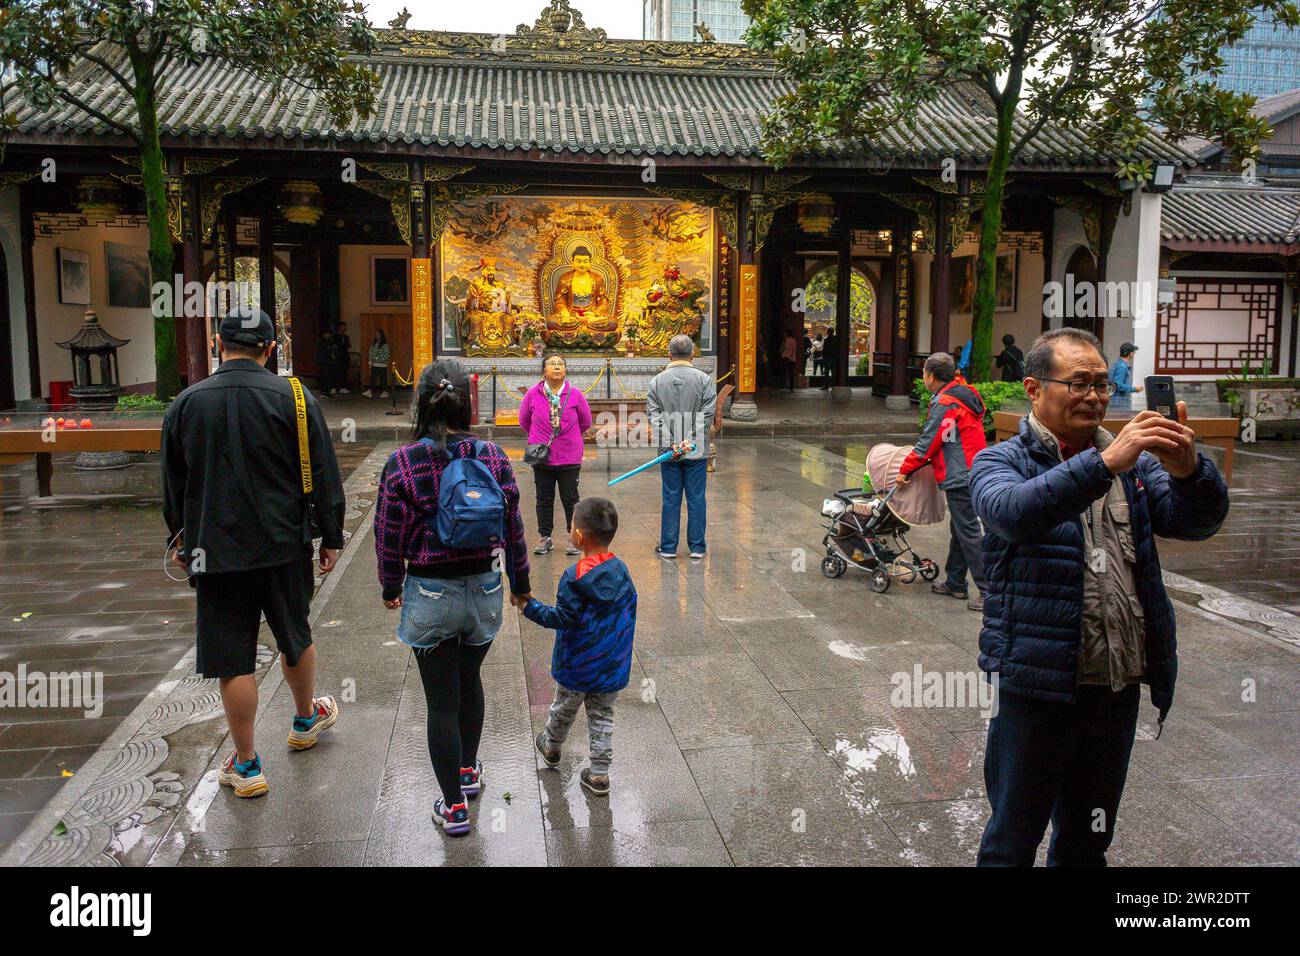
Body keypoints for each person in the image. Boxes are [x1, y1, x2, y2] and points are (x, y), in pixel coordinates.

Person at [969, 327, 1229, 866]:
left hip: (1115, 683)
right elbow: (1016, 514)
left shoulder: (1136, 466)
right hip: (1036, 685)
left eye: (1102, 385)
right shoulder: (999, 462)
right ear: (1034, 388)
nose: (1093, 395)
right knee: (1012, 839)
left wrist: (1188, 471)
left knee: (1088, 841)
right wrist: (1105, 464)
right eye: (1079, 383)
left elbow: (1196, 522)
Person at [161, 309, 347, 799]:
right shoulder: (296, 399)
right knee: (294, 633)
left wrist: (181, 540)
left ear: (220, 343)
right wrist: (330, 536)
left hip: (213, 549)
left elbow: (173, 487)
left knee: (232, 656)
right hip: (283, 542)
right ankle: (305, 719)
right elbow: (324, 473)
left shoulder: (186, 403)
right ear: (270, 349)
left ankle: (246, 765)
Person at [375, 360, 532, 836]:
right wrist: (521, 586)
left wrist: (389, 585)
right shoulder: (493, 456)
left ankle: (453, 808)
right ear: (469, 401)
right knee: (471, 680)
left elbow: (389, 535)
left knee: (441, 702)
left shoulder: (402, 462)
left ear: (420, 402)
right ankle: (468, 770)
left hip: (429, 591)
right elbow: (513, 528)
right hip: (484, 588)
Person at [525, 497, 637, 797]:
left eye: (572, 525)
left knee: (564, 708)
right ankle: (599, 774)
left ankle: (550, 747)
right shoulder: (622, 570)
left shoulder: (575, 577)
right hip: (611, 664)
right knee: (602, 717)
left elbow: (562, 618)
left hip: (578, 664)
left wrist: (529, 606)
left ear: (579, 536)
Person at [896, 352, 988, 611]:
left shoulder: (946, 401)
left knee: (968, 530)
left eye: (924, 373)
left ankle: (990, 591)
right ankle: (956, 582)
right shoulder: (962, 391)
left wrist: (905, 470)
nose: (923, 378)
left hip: (960, 472)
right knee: (961, 528)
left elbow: (930, 441)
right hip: (973, 466)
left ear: (931, 376)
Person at [647, 334, 717, 560]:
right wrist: (691, 440)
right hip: (695, 451)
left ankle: (669, 547)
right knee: (696, 498)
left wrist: (671, 443)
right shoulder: (704, 380)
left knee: (670, 498)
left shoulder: (657, 381)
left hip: (669, 453)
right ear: (692, 354)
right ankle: (697, 547)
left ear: (669, 354)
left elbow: (654, 416)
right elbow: (707, 413)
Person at [518, 352, 593, 557]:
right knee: (543, 498)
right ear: (544, 369)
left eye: (561, 363)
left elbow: (586, 422)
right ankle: (545, 537)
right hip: (542, 456)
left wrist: (569, 436)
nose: (557, 367)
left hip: (569, 455)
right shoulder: (533, 394)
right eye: (552, 363)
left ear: (565, 369)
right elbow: (524, 420)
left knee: (571, 499)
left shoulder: (575, 394)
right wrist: (539, 436)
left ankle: (573, 538)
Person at [1109, 342, 1143, 409]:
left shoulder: (1118, 364)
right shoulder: (1122, 367)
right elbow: (1118, 385)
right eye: (1133, 352)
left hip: (1117, 401)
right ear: (1130, 353)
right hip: (1120, 403)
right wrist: (1134, 389)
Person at [363, 328, 391, 398]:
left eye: (378, 334)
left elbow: (387, 355)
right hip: (374, 365)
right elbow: (371, 353)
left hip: (382, 365)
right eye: (375, 334)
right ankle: (370, 391)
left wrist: (378, 359)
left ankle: (384, 392)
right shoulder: (373, 344)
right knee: (372, 378)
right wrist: (370, 362)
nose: (376, 335)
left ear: (381, 335)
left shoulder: (385, 345)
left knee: (383, 380)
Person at [333, 321, 352, 395]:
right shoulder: (335, 336)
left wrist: (347, 344)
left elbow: (349, 345)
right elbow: (334, 346)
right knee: (337, 371)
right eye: (343, 326)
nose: (344, 328)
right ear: (339, 327)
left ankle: (343, 388)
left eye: (345, 327)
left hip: (345, 355)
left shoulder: (346, 337)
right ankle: (334, 387)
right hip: (338, 355)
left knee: (344, 371)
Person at [315, 329, 335, 396]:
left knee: (324, 376)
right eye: (328, 334)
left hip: (323, 361)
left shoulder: (323, 341)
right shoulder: (324, 342)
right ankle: (325, 391)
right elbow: (326, 351)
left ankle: (324, 391)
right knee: (325, 376)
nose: (328, 335)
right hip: (325, 361)